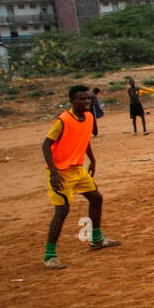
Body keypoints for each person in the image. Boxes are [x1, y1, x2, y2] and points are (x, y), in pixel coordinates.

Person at [42, 84, 121, 268]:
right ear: (72, 101)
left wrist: (92, 160)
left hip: (78, 169)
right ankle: (49, 256)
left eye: (88, 98)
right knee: (62, 211)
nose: (86, 101)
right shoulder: (62, 120)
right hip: (61, 172)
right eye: (82, 99)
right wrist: (53, 172)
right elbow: (46, 145)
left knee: (96, 198)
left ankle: (97, 239)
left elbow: (83, 140)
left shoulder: (88, 117)